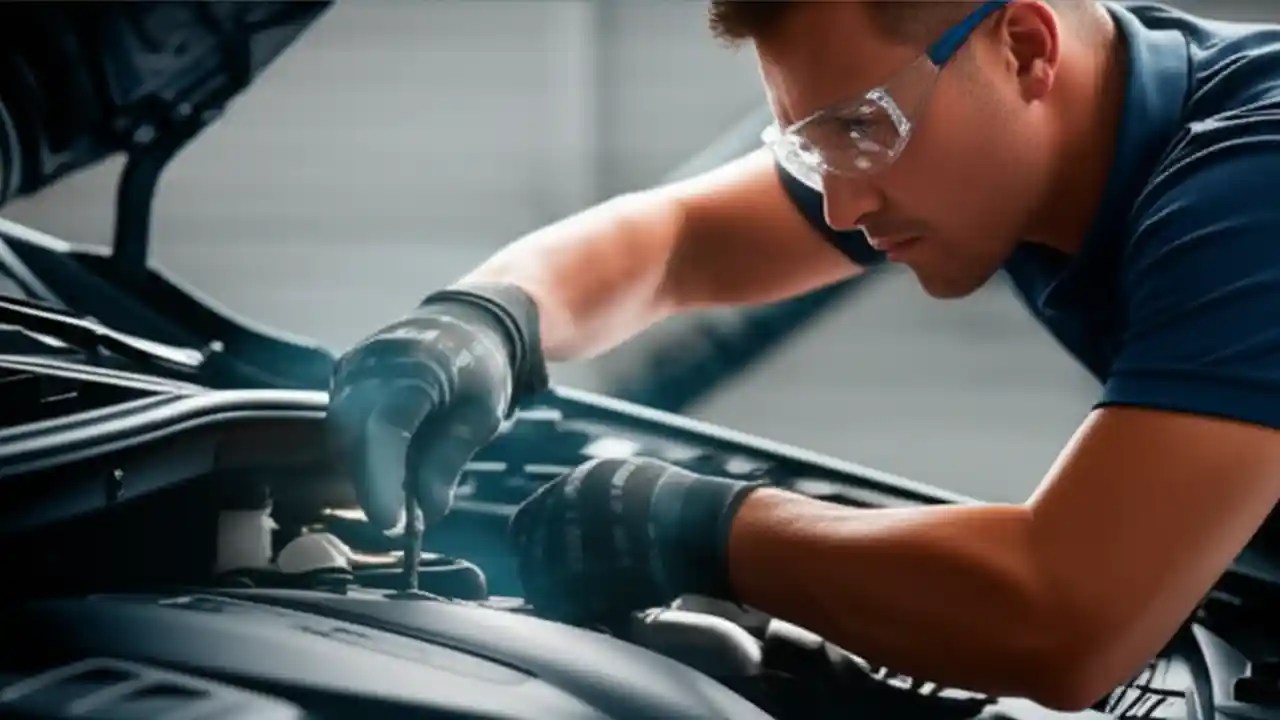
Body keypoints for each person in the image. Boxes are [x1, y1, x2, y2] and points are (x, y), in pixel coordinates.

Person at [325, 0, 1280, 710]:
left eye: (860, 129)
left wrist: (698, 528)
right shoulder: (1042, 135)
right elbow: (678, 245)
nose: (842, 210)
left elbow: (1067, 619)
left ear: (1026, 49)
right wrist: (484, 320)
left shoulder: (1252, 181)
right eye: (812, 148)